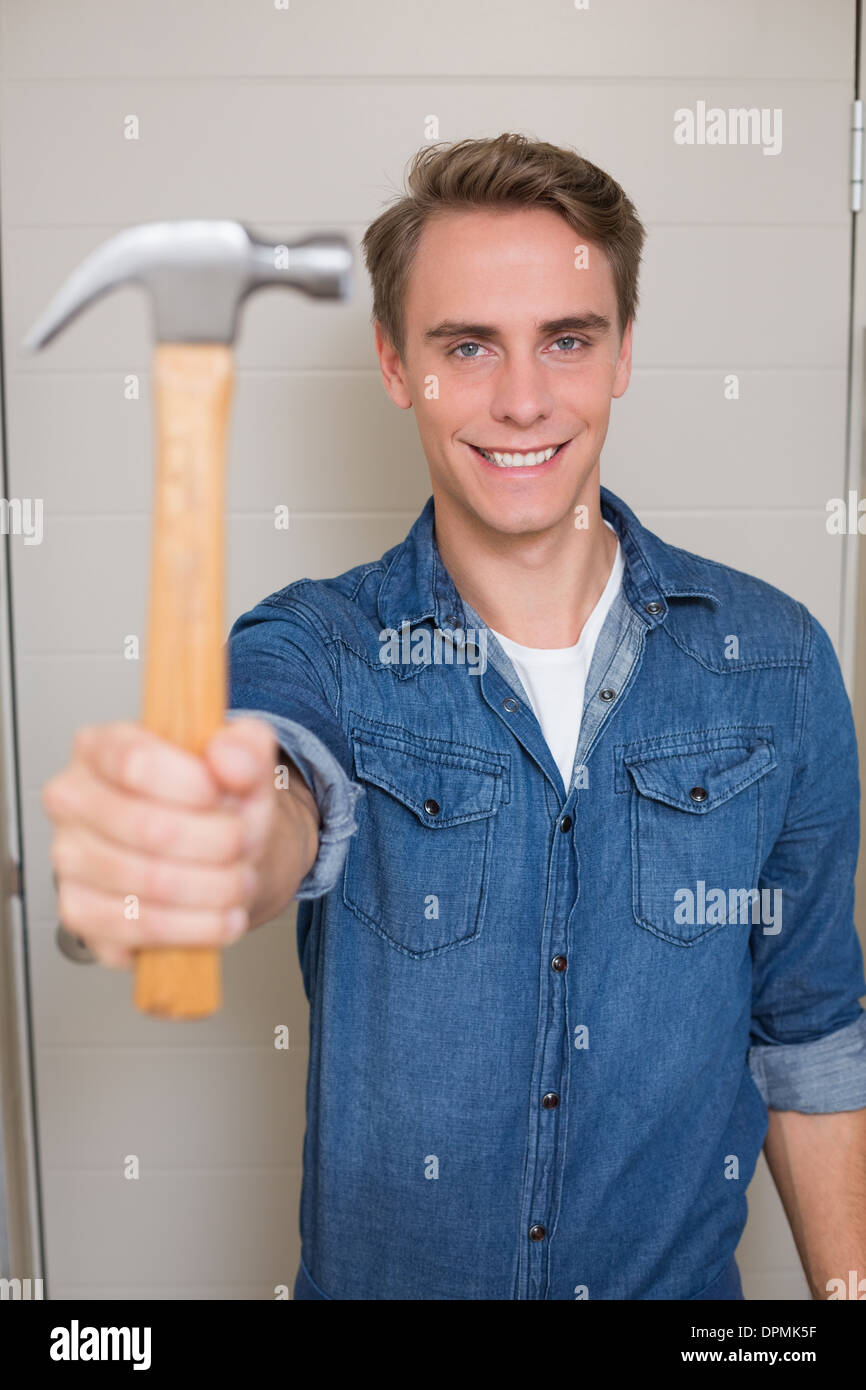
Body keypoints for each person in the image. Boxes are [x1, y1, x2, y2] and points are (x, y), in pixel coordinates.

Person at [44, 133, 866, 1301]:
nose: (521, 399)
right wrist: (200, 848)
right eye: (466, 345)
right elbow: (276, 788)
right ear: (392, 362)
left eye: (566, 340)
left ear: (622, 351)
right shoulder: (314, 646)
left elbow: (808, 1033)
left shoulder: (774, 663)